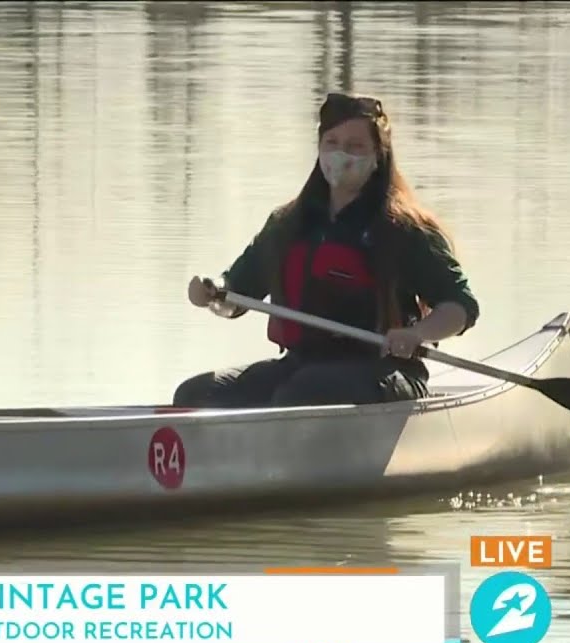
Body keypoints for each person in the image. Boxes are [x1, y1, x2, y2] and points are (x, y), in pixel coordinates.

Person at [173, 92, 479, 409]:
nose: (341, 154)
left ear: (378, 156)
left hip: (386, 371)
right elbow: (236, 293)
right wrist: (214, 292)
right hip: (300, 367)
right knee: (195, 394)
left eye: (355, 146)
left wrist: (417, 334)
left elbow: (460, 305)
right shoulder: (287, 224)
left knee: (303, 393)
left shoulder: (406, 230)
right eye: (331, 143)